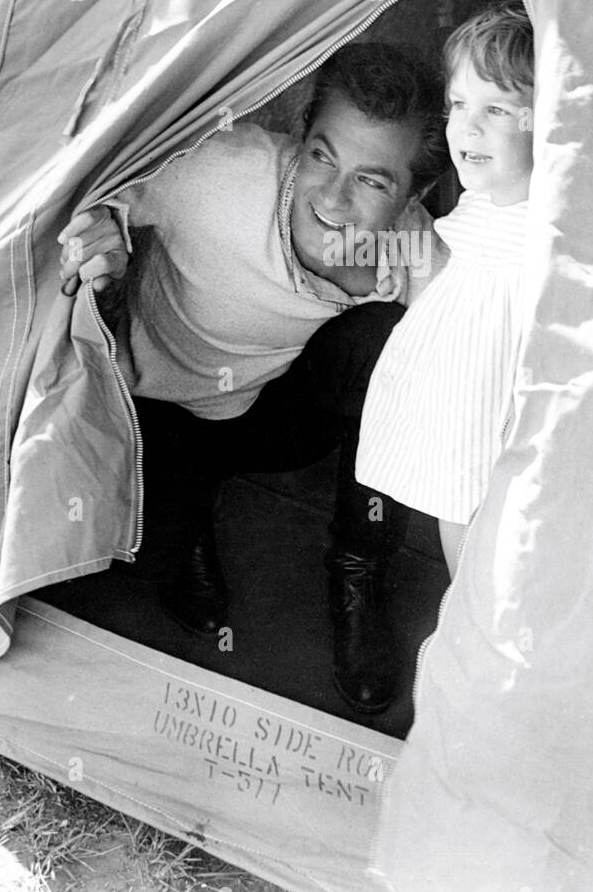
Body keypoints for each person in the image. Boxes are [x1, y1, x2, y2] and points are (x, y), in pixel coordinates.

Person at [58, 42, 449, 714]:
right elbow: (92, 184)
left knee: (392, 340)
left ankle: (357, 572)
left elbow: (495, 359)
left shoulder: (416, 250)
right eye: (323, 155)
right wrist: (101, 235)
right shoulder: (218, 173)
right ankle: (188, 530)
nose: (331, 196)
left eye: (371, 180)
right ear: (299, 139)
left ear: (412, 196)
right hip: (160, 411)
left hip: (271, 415)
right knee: (138, 562)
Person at [356, 1, 534, 576]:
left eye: (498, 109)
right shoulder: (481, 198)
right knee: (458, 536)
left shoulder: (548, 223)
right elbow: (454, 265)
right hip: (457, 422)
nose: (468, 127)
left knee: (494, 550)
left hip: (501, 427)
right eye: (459, 104)